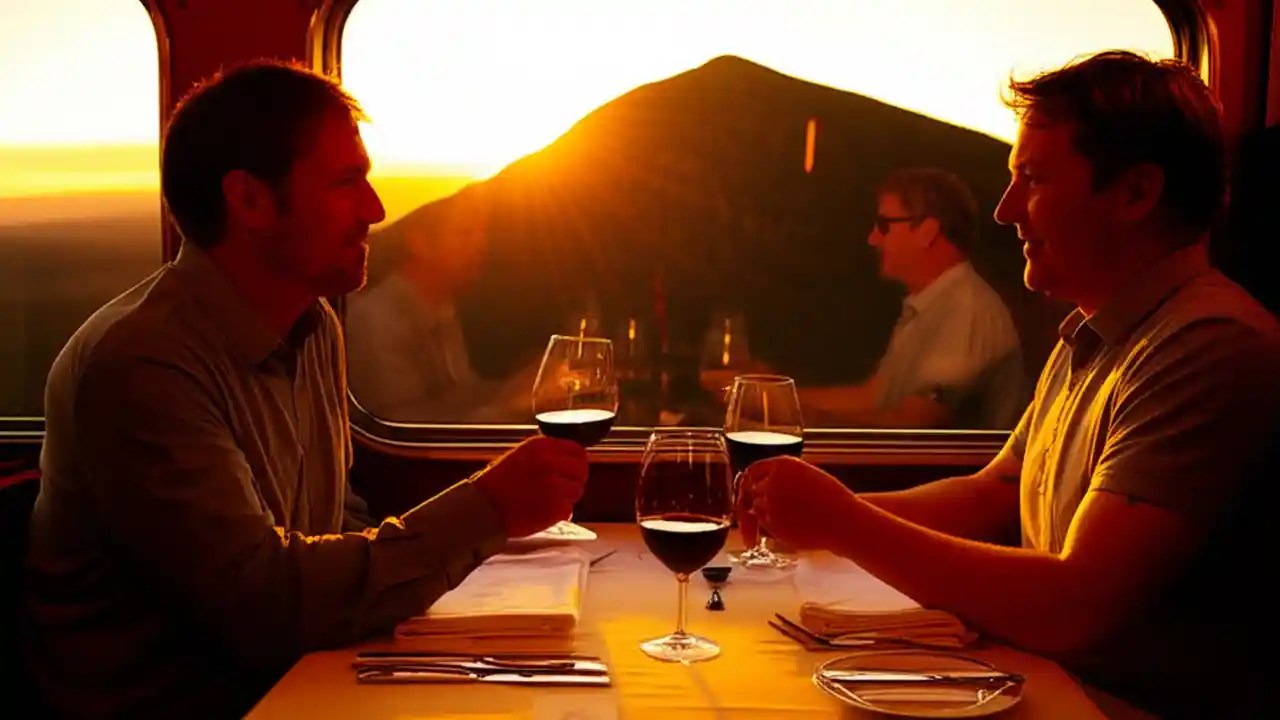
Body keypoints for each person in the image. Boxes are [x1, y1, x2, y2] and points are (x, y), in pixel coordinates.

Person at [22, 60, 587, 719]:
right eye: (347, 183)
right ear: (251, 201)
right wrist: (487, 507)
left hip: (296, 683)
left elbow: (332, 524)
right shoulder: (140, 366)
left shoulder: (312, 326)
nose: (375, 210)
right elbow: (262, 606)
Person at [737, 50, 1280, 718]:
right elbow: (993, 491)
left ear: (1136, 194)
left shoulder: (1210, 345)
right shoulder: (1098, 334)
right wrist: (813, 517)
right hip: (1046, 680)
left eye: (1032, 178)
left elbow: (1077, 607)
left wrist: (843, 522)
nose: (1003, 211)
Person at [795, 168, 1025, 429]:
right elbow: (873, 397)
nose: (873, 239)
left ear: (928, 231)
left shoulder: (965, 311)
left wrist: (791, 416)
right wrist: (774, 396)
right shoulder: (932, 304)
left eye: (884, 225)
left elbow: (915, 426)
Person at [345, 184, 538, 422]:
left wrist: (525, 386)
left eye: (482, 233)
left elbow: (458, 397)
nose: (481, 245)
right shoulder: (377, 321)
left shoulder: (438, 304)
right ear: (419, 242)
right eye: (465, 233)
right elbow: (400, 428)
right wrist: (514, 408)